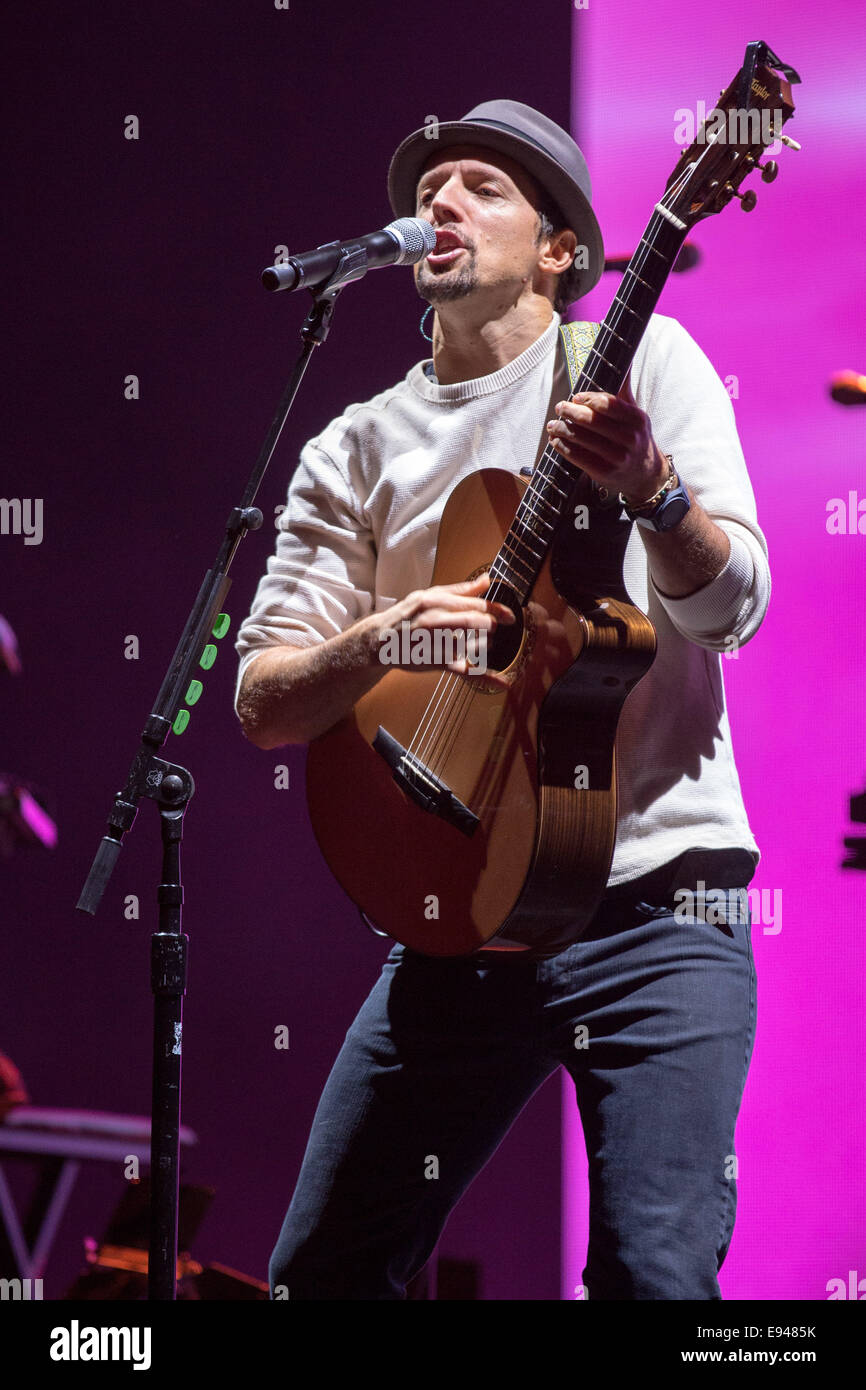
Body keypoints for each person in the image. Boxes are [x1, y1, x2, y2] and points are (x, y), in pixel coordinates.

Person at [234, 100, 769, 1300]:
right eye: (430, 186)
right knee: (321, 1271)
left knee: (654, 1275)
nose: (440, 202)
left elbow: (730, 607)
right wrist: (383, 632)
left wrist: (654, 493)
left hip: (658, 908)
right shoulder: (353, 445)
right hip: (460, 911)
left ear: (558, 250)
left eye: (480, 186)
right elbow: (265, 701)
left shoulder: (645, 363)